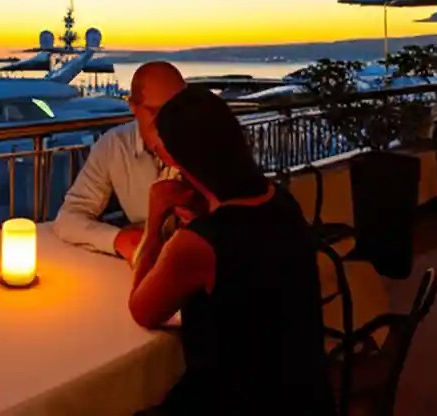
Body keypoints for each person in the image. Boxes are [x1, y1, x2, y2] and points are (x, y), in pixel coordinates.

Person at [130, 88, 334, 415]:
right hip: (304, 393)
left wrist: (155, 221)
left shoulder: (200, 243)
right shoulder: (280, 200)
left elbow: (142, 309)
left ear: (183, 160)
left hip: (235, 400)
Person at [52, 62, 186, 259]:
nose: (169, 123)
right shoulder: (114, 146)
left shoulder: (204, 143)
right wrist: (119, 239)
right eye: (157, 113)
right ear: (133, 107)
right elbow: (69, 218)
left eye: (177, 111)